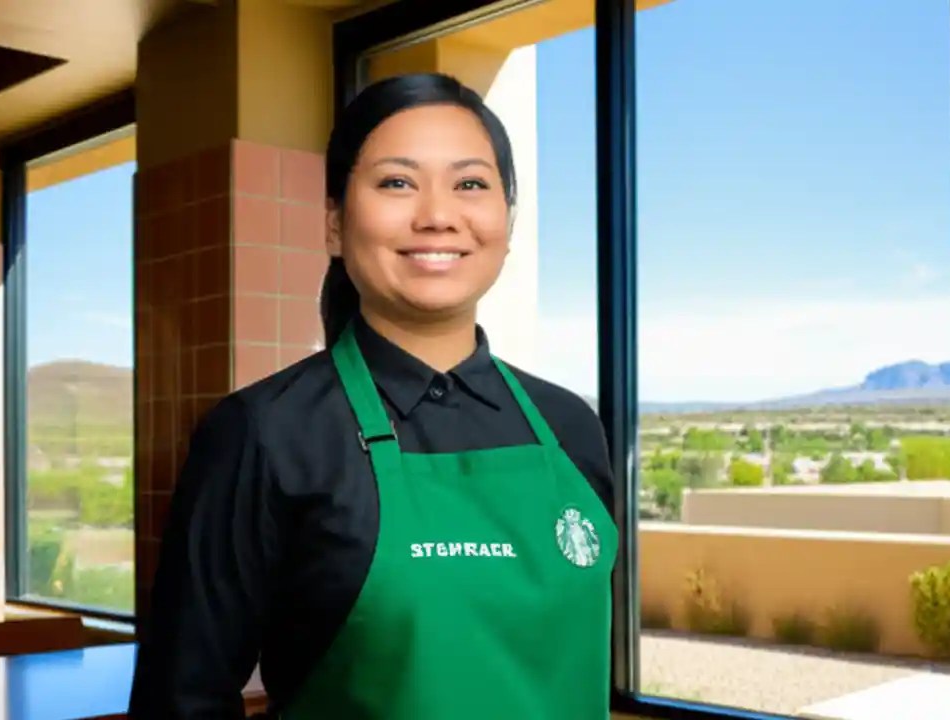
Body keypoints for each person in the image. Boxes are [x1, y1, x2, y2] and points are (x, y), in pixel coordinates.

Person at [128, 72, 618, 719]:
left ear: (509, 220)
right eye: (396, 182)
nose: (439, 215)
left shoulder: (570, 426)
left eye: (470, 183)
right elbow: (181, 704)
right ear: (334, 223)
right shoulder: (264, 434)